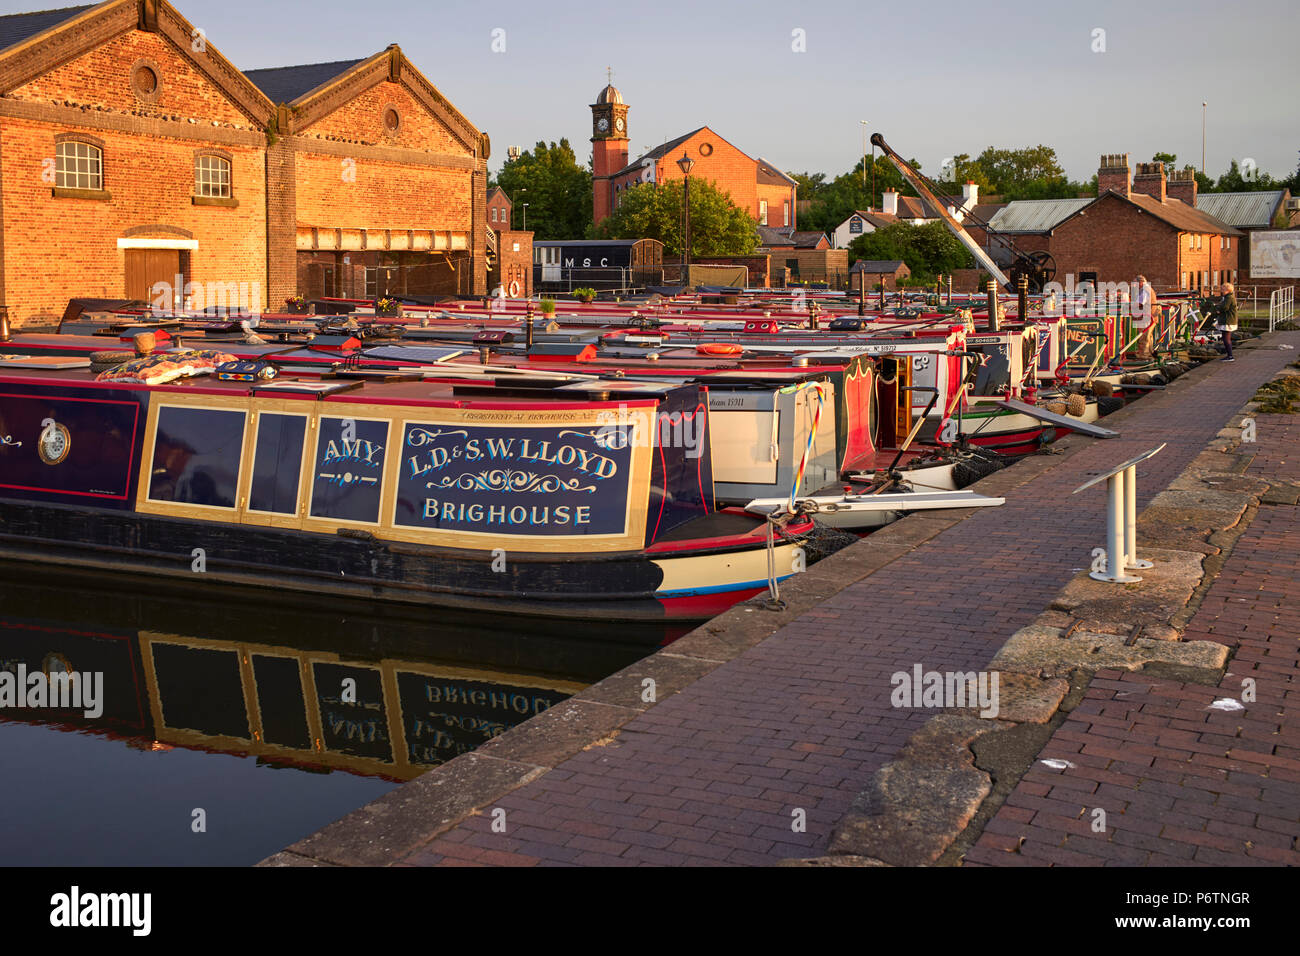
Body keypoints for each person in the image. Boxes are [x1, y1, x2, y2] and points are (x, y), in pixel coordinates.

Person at [1132, 275, 1157, 360]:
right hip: (1151, 317)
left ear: (1141, 282)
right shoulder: (1148, 289)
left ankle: (1144, 355)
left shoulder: (1145, 290)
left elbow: (1140, 302)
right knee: (1148, 337)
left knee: (1144, 337)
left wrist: (1128, 305)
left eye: (1135, 283)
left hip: (1146, 317)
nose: (1134, 286)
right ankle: (1149, 353)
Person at [1214, 282, 1238, 361]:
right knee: (1225, 338)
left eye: (1223, 288)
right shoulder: (1227, 297)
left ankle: (1230, 356)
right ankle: (1229, 355)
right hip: (1227, 320)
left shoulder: (1229, 298)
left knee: (1226, 339)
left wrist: (1218, 308)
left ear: (1228, 290)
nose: (1221, 290)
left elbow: (1225, 307)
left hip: (1228, 320)